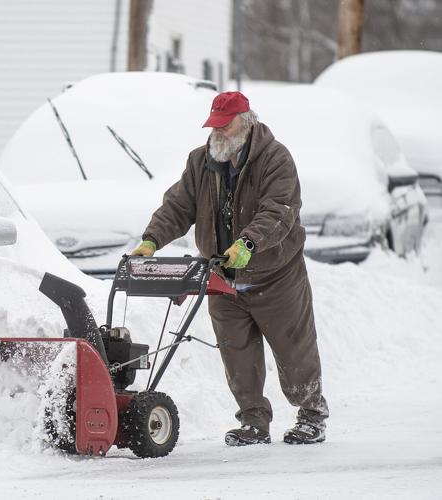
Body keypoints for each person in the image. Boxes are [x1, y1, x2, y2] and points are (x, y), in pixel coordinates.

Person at [131, 91, 329, 446]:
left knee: (293, 350)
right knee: (237, 354)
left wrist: (248, 243)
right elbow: (178, 206)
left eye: (225, 126)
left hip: (276, 275)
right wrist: (151, 240)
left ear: (247, 122)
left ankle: (311, 413)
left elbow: (280, 209)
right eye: (214, 127)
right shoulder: (201, 161)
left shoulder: (275, 159)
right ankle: (254, 421)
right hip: (222, 275)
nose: (218, 134)